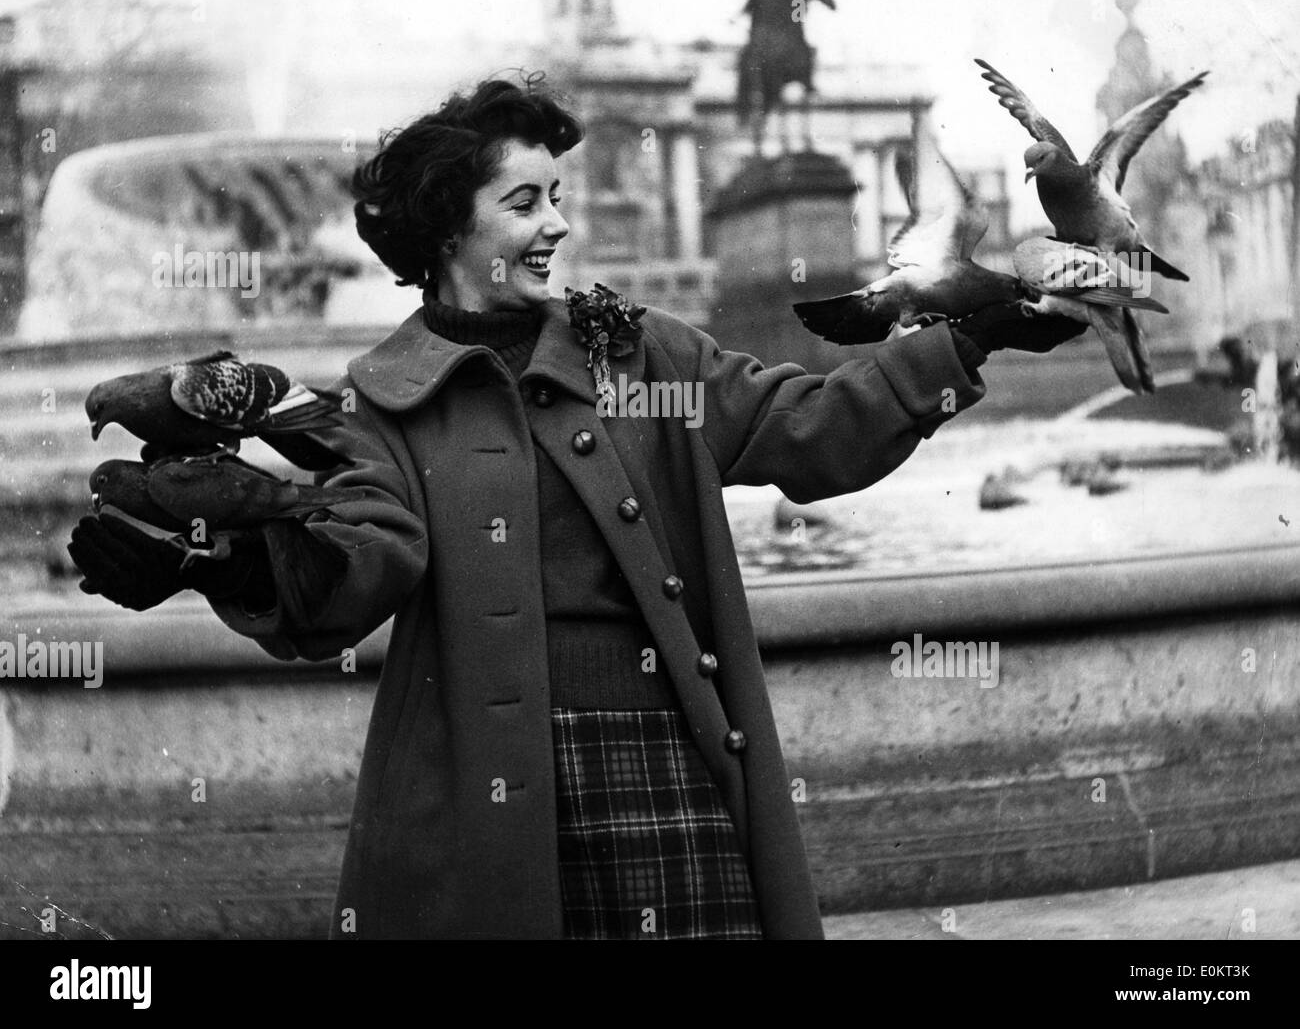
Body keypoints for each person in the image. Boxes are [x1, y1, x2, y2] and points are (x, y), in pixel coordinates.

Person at [69, 74, 1085, 940]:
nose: (556, 222)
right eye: (523, 201)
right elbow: (352, 575)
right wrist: (217, 558)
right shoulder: (382, 397)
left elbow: (813, 429)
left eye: (555, 195)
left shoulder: (641, 354)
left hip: (665, 760)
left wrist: (962, 344)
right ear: (448, 225)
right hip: (487, 790)